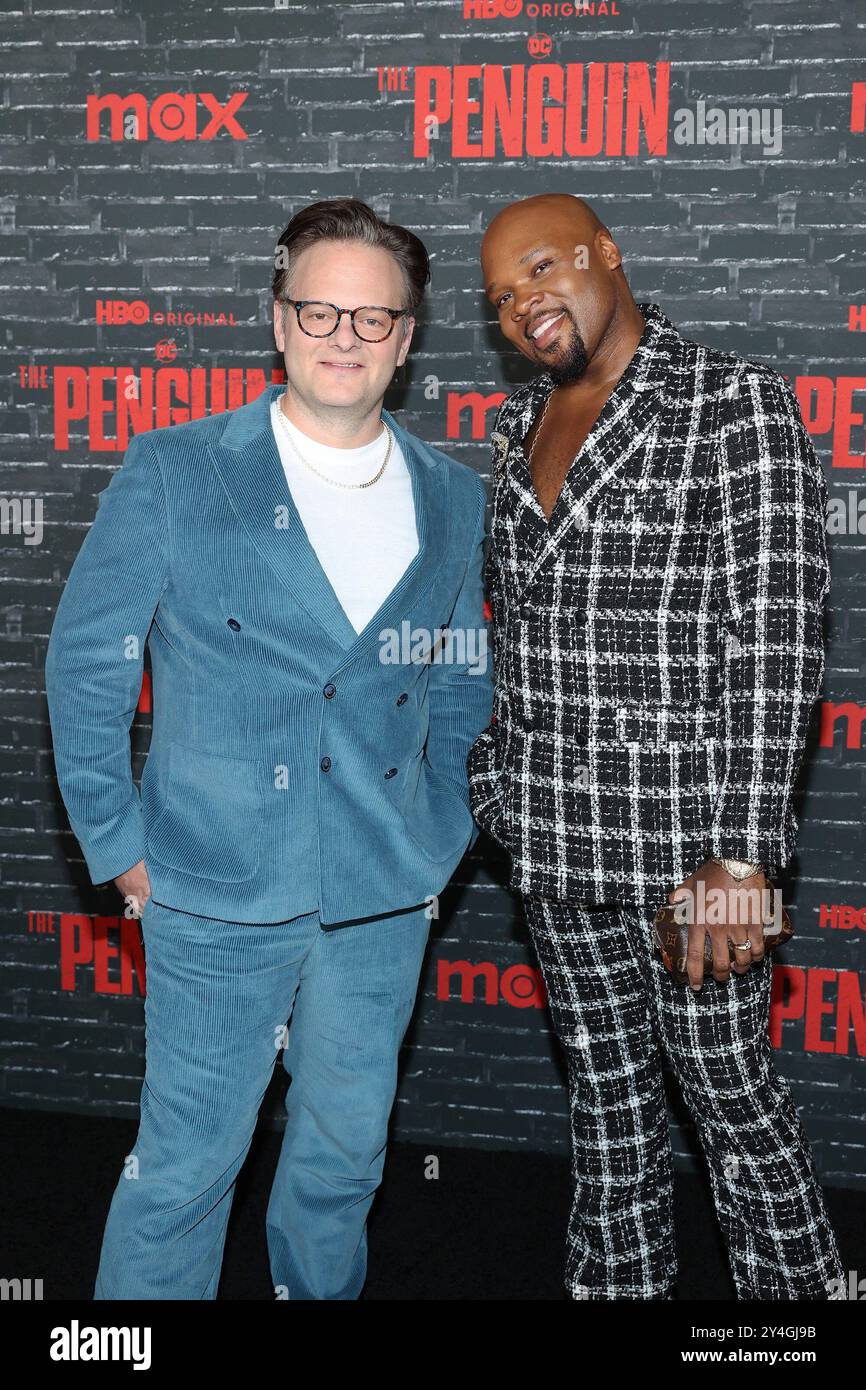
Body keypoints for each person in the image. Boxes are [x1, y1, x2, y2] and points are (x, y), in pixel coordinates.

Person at [45, 196, 492, 1300]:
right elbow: (87, 665)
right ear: (277, 320)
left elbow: (458, 674)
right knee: (185, 1171)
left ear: (407, 336)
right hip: (212, 887)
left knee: (344, 1159)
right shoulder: (177, 469)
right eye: (319, 310)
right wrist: (119, 844)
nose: (344, 336)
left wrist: (438, 834)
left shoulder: (451, 496)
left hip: (381, 893)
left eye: (372, 318)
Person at [467, 191, 844, 1300]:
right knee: (605, 1107)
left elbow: (774, 641)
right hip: (550, 841)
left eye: (540, 268)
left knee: (731, 1105)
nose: (524, 304)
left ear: (603, 253)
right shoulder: (512, 426)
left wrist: (741, 863)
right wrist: (499, 784)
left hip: (691, 860)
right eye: (500, 297)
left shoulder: (731, 401)